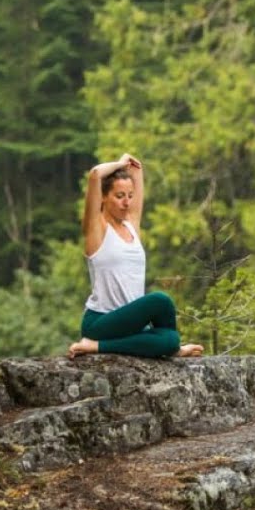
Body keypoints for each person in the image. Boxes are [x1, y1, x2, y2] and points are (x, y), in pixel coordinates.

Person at [68, 153, 204, 359]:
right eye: (119, 196)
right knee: (161, 301)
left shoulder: (131, 225)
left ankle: (171, 350)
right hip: (101, 322)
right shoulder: (96, 230)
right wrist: (120, 164)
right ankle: (95, 345)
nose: (127, 203)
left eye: (130, 196)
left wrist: (131, 166)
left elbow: (137, 170)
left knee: (170, 340)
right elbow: (95, 175)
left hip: (131, 325)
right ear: (104, 197)